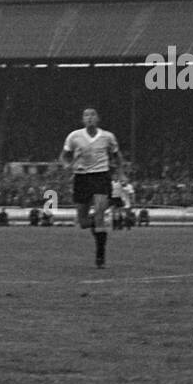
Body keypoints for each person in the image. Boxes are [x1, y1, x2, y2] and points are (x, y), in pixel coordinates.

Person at [59, 107, 124, 268]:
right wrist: (68, 165)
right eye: (86, 115)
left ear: (98, 119)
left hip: (101, 176)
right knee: (83, 221)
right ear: (82, 120)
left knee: (100, 213)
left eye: (93, 115)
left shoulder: (108, 137)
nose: (89, 118)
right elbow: (63, 156)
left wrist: (120, 173)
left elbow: (117, 156)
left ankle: (100, 256)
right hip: (81, 177)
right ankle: (97, 221)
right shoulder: (74, 136)